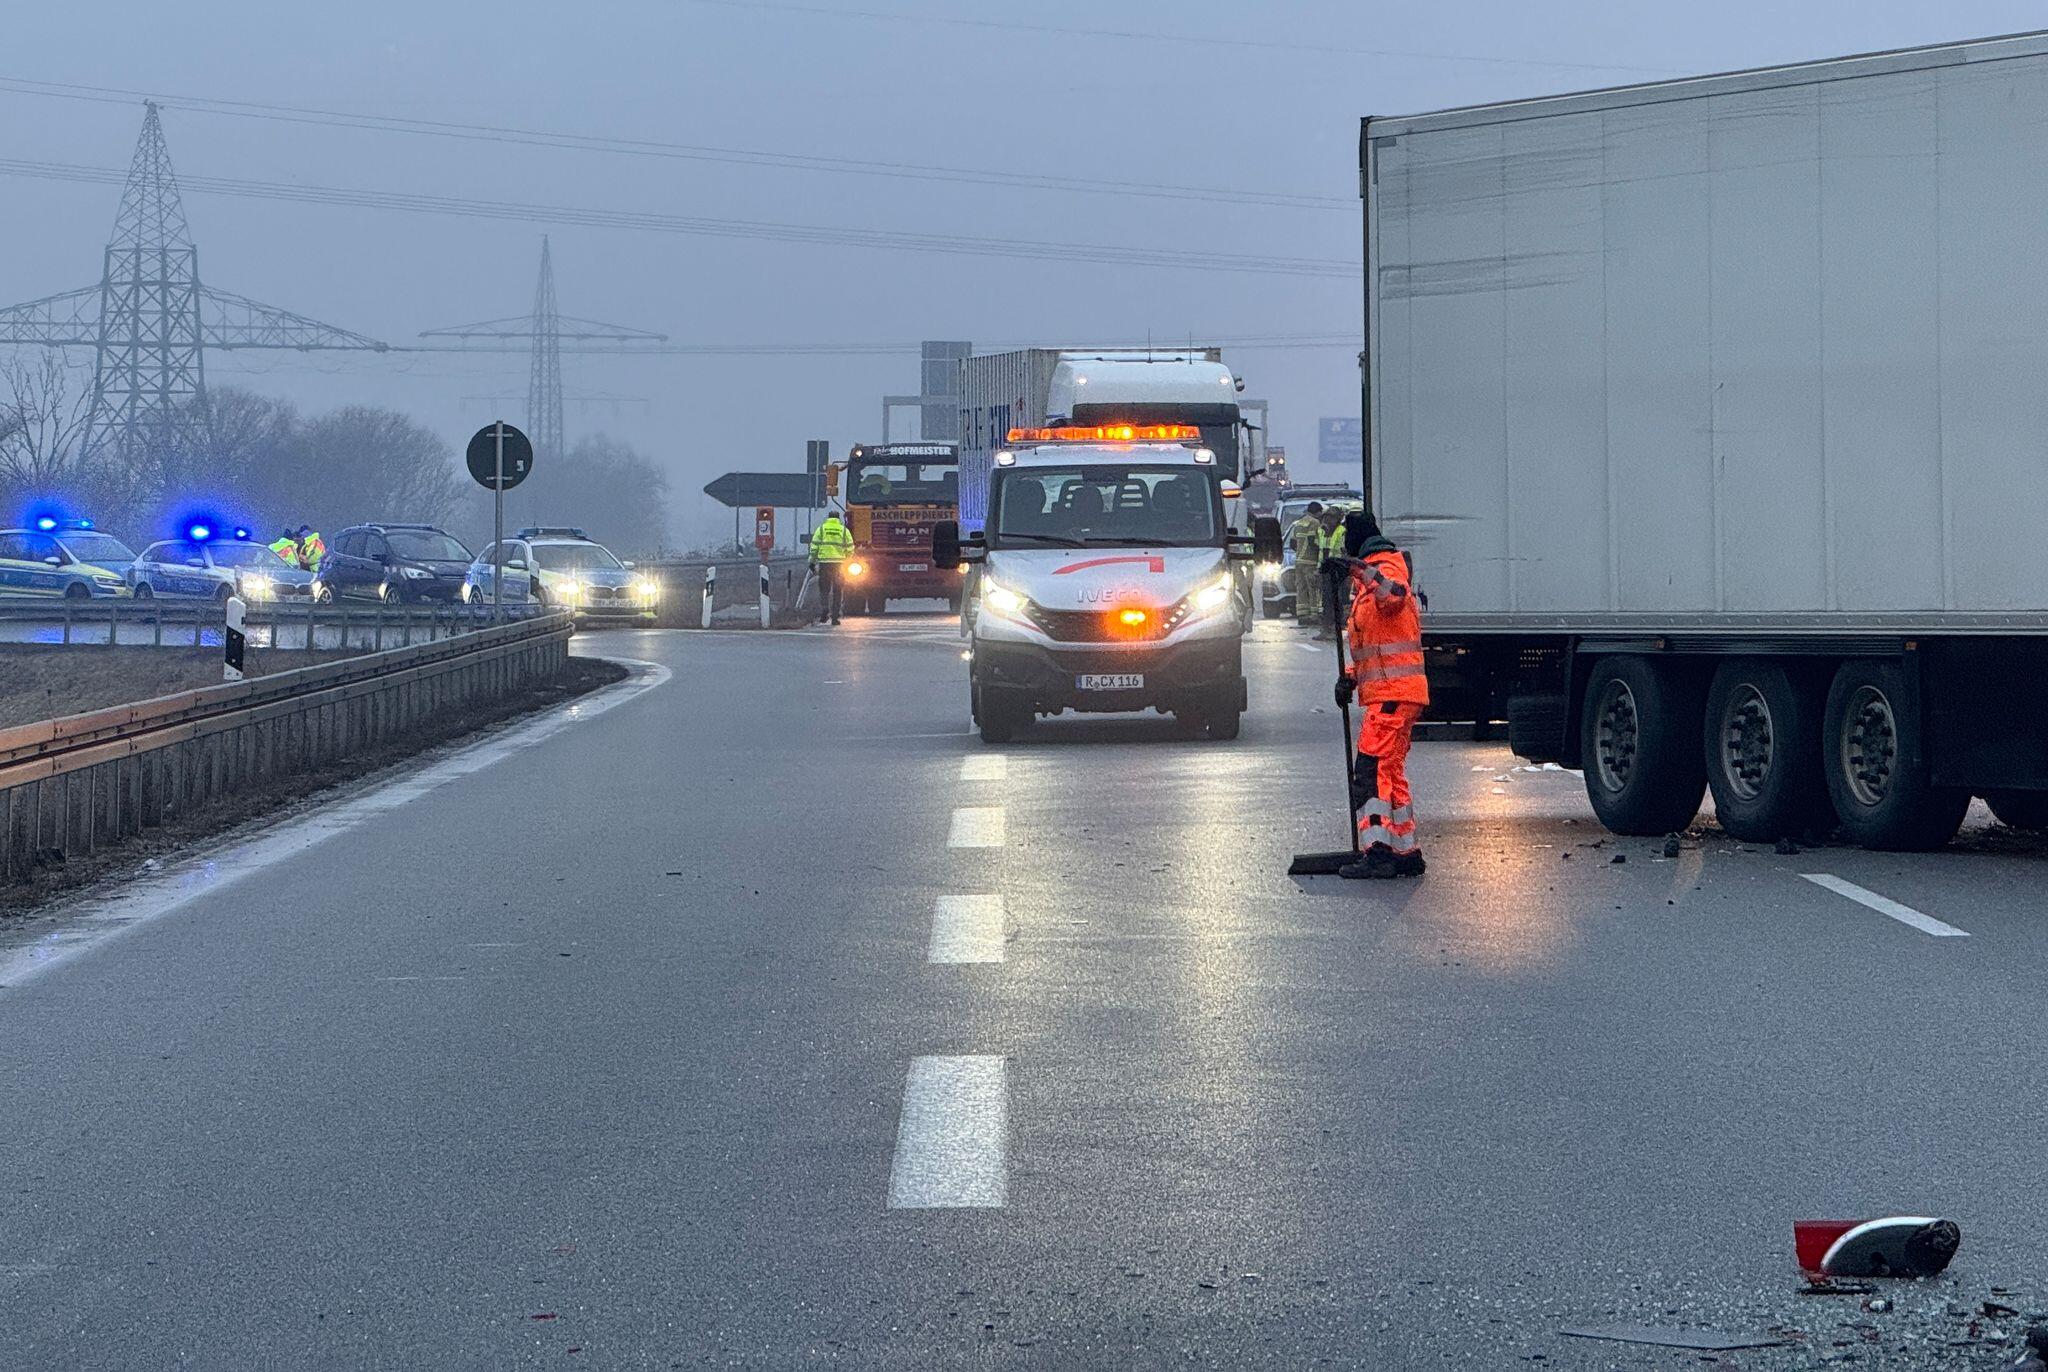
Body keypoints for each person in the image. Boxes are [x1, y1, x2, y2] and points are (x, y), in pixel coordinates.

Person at [1333, 511, 1428, 879]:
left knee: (1370, 773)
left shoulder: (1386, 565)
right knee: (1390, 770)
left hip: (1394, 694)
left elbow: (1394, 595)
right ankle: (1406, 852)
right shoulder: (1367, 581)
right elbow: (1377, 644)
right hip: (1393, 692)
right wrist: (1350, 679)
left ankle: (1377, 852)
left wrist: (1357, 568)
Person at [809, 509, 854, 624]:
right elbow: (850, 548)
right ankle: (835, 617)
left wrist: (812, 562)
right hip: (839, 565)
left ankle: (825, 609)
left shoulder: (822, 529)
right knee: (837, 591)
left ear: (828, 518)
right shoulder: (844, 530)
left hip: (824, 563)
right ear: (838, 518)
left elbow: (814, 547)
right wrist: (847, 560)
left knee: (824, 590)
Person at [1287, 501, 1325, 629]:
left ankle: (1302, 615)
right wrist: (1320, 551)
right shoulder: (1314, 523)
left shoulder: (1299, 523)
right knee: (1313, 588)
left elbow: (1293, 543)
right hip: (1311, 561)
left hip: (1299, 561)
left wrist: (1299, 553)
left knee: (1301, 588)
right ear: (1317, 511)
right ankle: (1314, 615)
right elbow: (1312, 540)